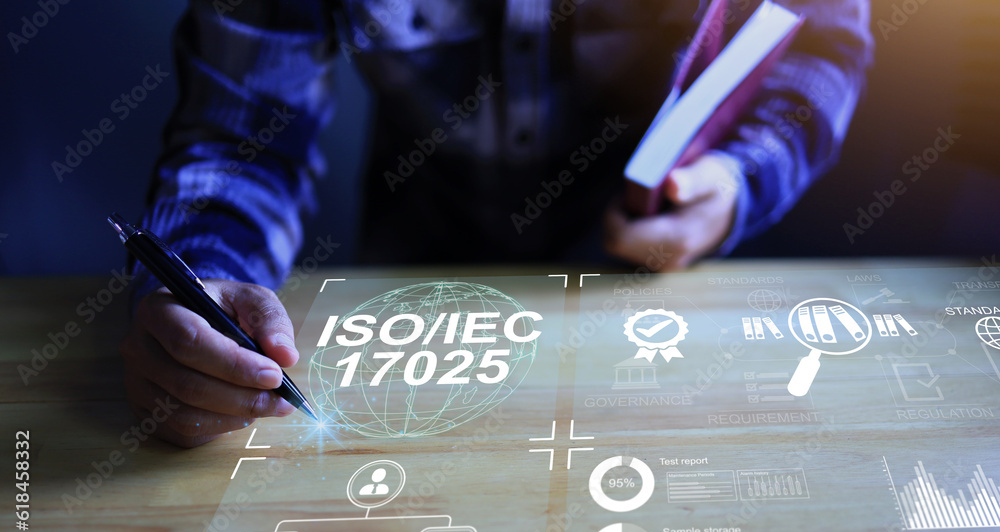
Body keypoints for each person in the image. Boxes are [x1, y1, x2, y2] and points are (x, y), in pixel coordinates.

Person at [120, 0, 872, 446]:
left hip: (666, 304)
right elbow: (244, 132)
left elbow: (821, 36)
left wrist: (741, 178)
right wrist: (201, 278)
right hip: (412, 289)